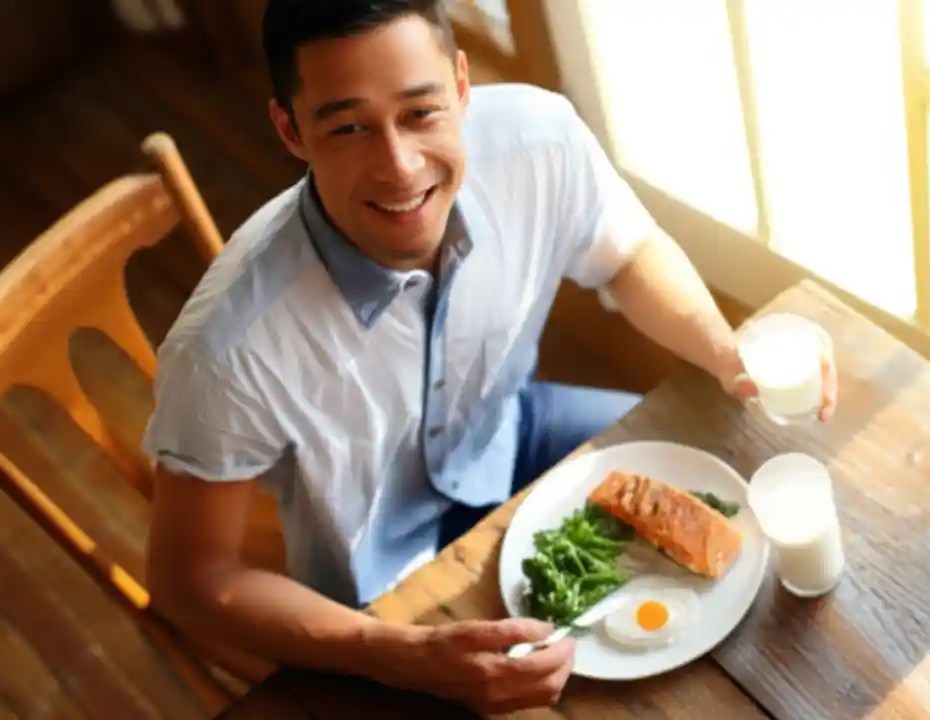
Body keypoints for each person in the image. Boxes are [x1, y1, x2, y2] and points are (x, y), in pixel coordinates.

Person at [142, 0, 836, 713]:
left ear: (461, 83)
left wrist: (728, 351)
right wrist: (401, 656)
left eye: (421, 112)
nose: (400, 167)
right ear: (290, 128)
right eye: (348, 127)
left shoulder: (540, 140)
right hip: (379, 571)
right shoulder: (225, 352)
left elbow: (627, 255)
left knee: (725, 490)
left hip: (514, 425)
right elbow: (193, 582)